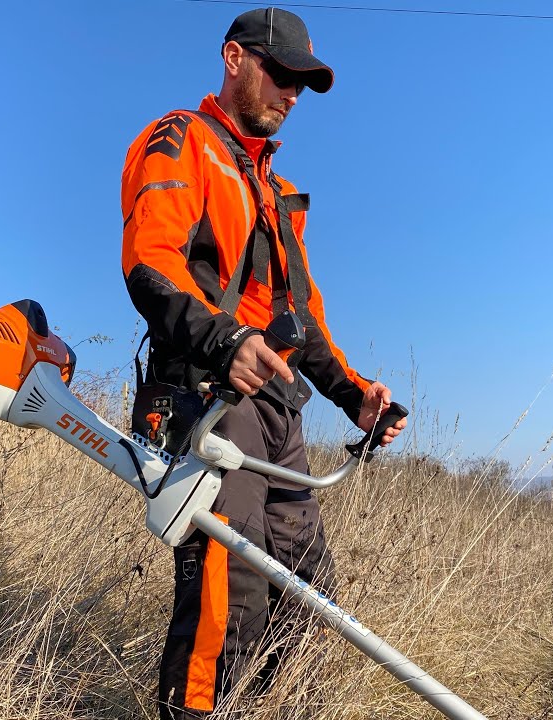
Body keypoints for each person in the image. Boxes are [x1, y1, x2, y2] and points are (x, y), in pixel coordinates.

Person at [118, 7, 406, 718]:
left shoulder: (276, 193)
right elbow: (150, 264)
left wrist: (355, 396)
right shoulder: (181, 139)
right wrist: (224, 340)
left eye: (302, 84)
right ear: (234, 58)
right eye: (281, 74)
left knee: (309, 596)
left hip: (278, 411)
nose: (292, 94)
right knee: (230, 592)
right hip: (209, 397)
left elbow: (302, 320)